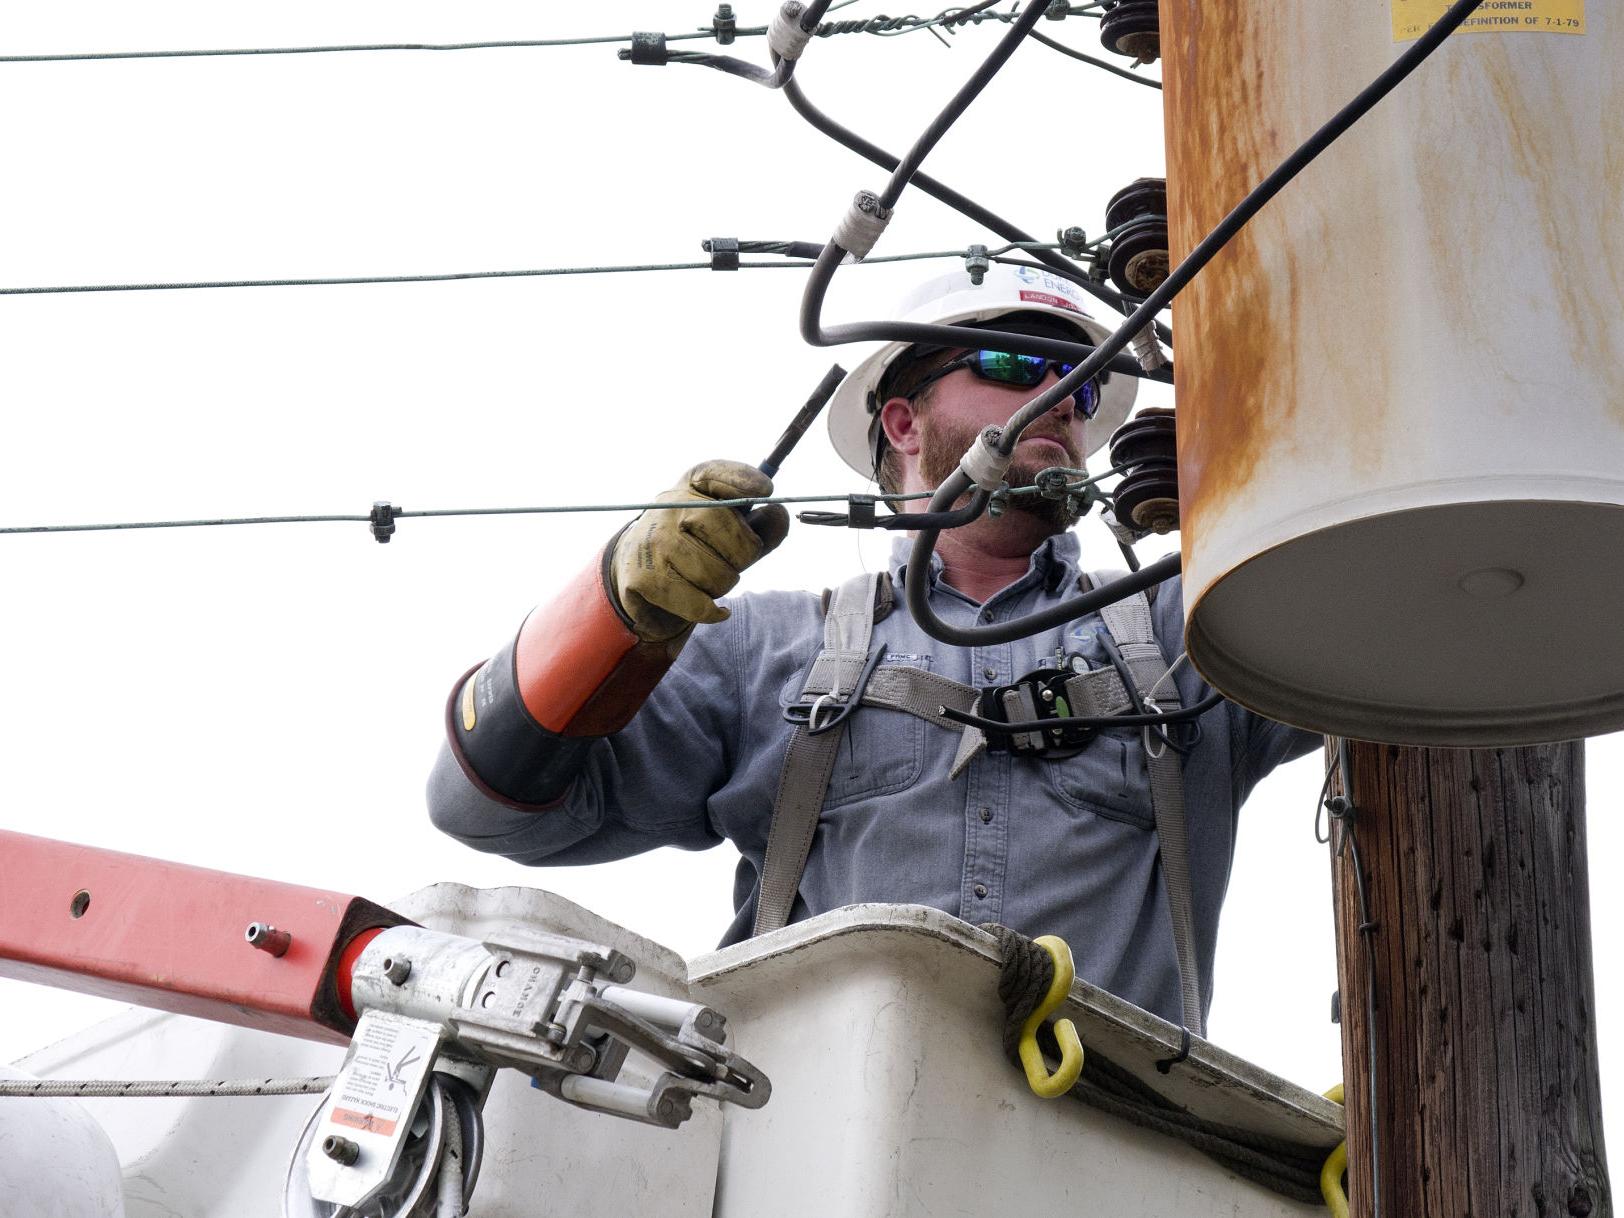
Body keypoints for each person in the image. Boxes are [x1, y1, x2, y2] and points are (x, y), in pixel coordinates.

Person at [427, 265, 1317, 1033]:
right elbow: (484, 809)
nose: (1063, 400)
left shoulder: (1179, 632)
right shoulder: (766, 652)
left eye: (1082, 386)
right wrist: (612, 608)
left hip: (1100, 1158)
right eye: (1016, 363)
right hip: (823, 1152)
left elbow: (1406, 601)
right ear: (901, 423)